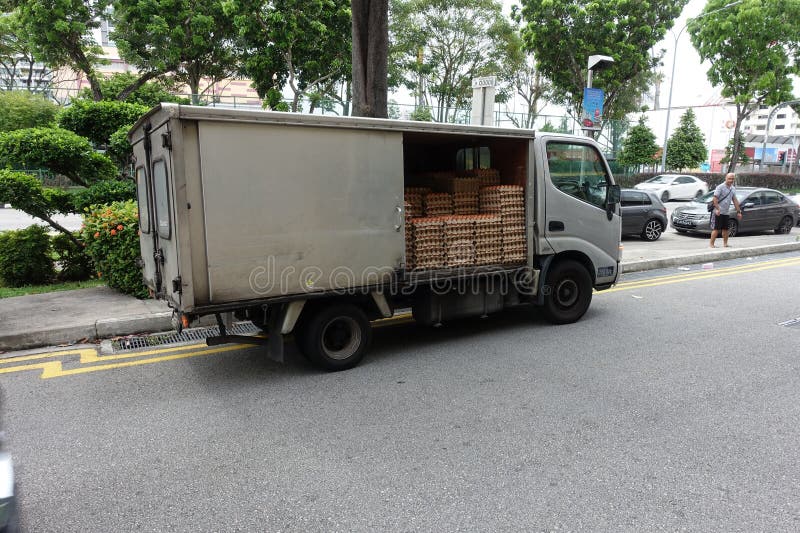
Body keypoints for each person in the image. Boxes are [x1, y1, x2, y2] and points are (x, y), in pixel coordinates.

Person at [709, 172, 743, 248]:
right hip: (718, 212)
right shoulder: (720, 187)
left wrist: (738, 212)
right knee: (716, 229)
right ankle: (711, 244)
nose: (731, 180)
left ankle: (725, 244)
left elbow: (735, 200)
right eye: (729, 178)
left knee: (726, 229)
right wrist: (717, 209)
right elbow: (715, 198)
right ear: (726, 178)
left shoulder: (733, 188)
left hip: (726, 212)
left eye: (732, 179)